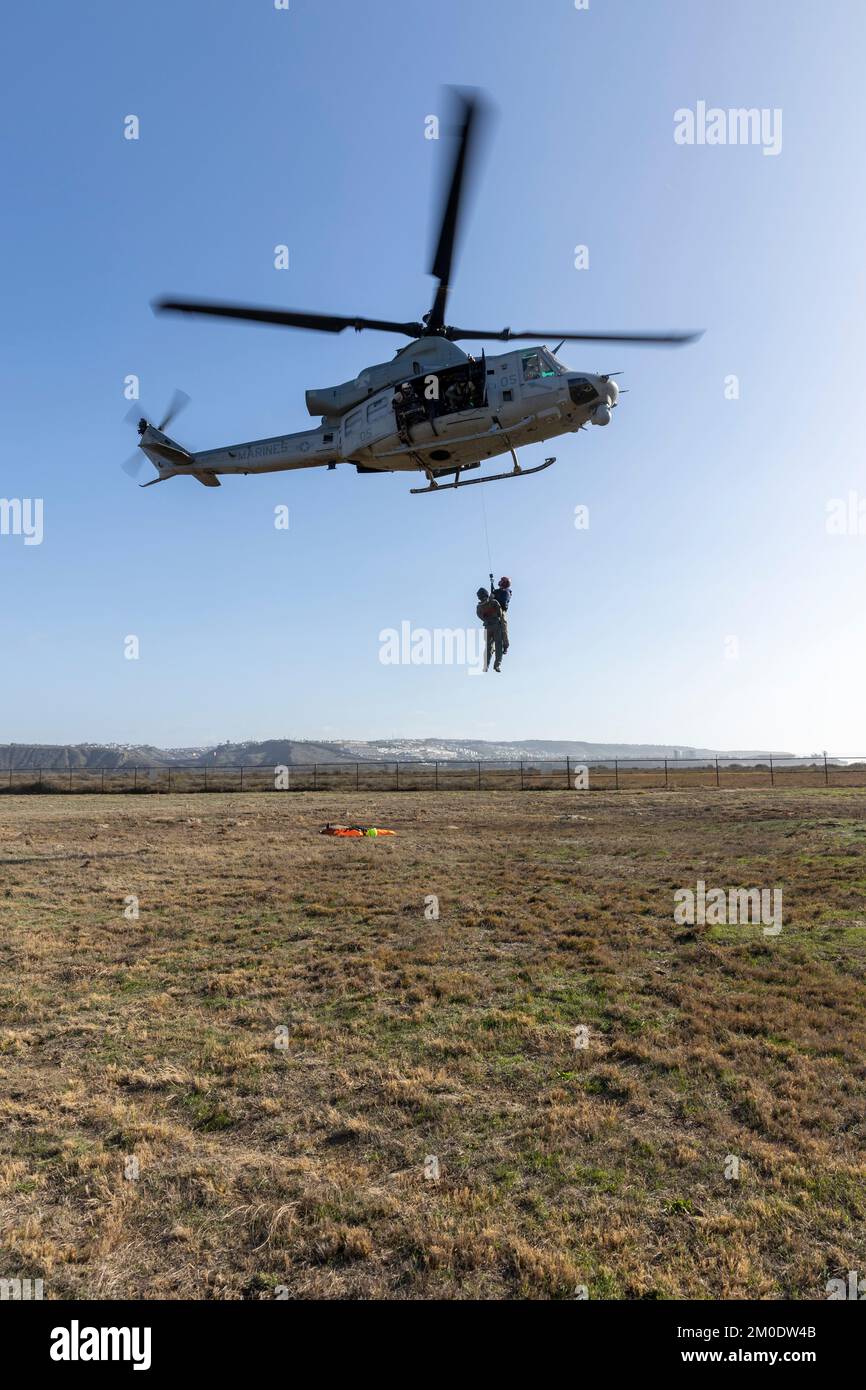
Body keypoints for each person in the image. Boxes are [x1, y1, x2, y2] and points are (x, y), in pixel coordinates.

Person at [476, 587, 504, 672]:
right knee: (499, 646)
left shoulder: (479, 607)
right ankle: (497, 665)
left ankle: (486, 666)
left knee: (488, 648)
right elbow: (500, 613)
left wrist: (487, 619)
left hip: (488, 627)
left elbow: (480, 616)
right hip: (496, 625)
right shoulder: (494, 602)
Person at [491, 576, 512, 653]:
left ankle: (505, 646)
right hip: (495, 612)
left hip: (501, 611)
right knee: (493, 629)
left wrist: (494, 594)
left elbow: (501, 601)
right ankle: (492, 646)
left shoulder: (506, 592)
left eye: (501, 581)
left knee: (503, 628)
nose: (499, 581)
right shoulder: (498, 591)